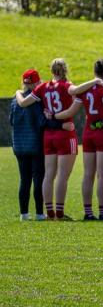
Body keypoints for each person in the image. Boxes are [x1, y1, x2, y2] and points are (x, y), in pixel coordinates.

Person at [15, 58, 81, 220]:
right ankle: (59, 212)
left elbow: (23, 103)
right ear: (65, 70)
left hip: (48, 135)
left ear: (51, 71)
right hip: (65, 133)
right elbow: (76, 94)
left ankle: (49, 211)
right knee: (63, 175)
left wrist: (17, 92)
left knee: (49, 174)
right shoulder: (67, 86)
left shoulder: (42, 87)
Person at [69, 59, 103, 220]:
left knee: (88, 174)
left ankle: (88, 212)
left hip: (88, 132)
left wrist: (53, 116)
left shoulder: (86, 88)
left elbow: (72, 110)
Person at [11, 69, 46, 220]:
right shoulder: (36, 100)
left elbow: (11, 121)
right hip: (35, 145)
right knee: (38, 178)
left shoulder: (14, 101)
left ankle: (23, 214)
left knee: (24, 179)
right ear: (37, 82)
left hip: (19, 145)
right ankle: (39, 213)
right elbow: (42, 123)